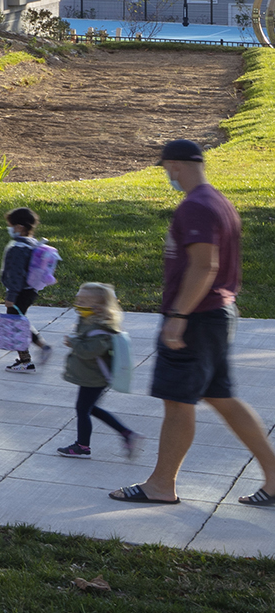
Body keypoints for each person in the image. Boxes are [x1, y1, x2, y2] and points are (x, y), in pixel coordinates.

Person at [111, 138, 275, 509]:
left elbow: (205, 265)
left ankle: (161, 485)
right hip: (216, 315)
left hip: (197, 318)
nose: (168, 175)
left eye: (167, 168)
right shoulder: (219, 201)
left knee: (178, 402)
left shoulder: (196, 207)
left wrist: (178, 317)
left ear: (175, 166)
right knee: (222, 398)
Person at [55, 282, 138, 461]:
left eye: (84, 301)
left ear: (99, 307)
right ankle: (126, 433)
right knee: (89, 408)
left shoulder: (102, 329)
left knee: (83, 409)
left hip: (95, 377)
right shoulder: (87, 319)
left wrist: (74, 343)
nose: (79, 303)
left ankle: (83, 446)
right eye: (78, 299)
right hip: (90, 375)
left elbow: (88, 351)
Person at [0, 206, 59, 371]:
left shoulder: (18, 248)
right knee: (19, 322)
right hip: (30, 291)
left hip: (19, 292)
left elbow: (17, 274)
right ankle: (39, 349)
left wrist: (11, 295)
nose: (10, 228)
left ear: (19, 227)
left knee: (16, 325)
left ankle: (26, 361)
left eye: (11, 225)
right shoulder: (32, 243)